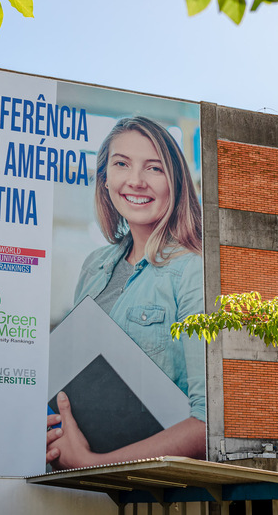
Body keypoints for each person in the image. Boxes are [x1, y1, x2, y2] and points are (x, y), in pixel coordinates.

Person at [46, 116, 205, 470]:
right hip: (83, 486)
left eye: (154, 168)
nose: (136, 181)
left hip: (158, 495)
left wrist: (93, 462)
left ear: (175, 181)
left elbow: (209, 424)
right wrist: (53, 431)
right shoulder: (94, 267)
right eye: (121, 164)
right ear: (104, 180)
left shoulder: (194, 270)